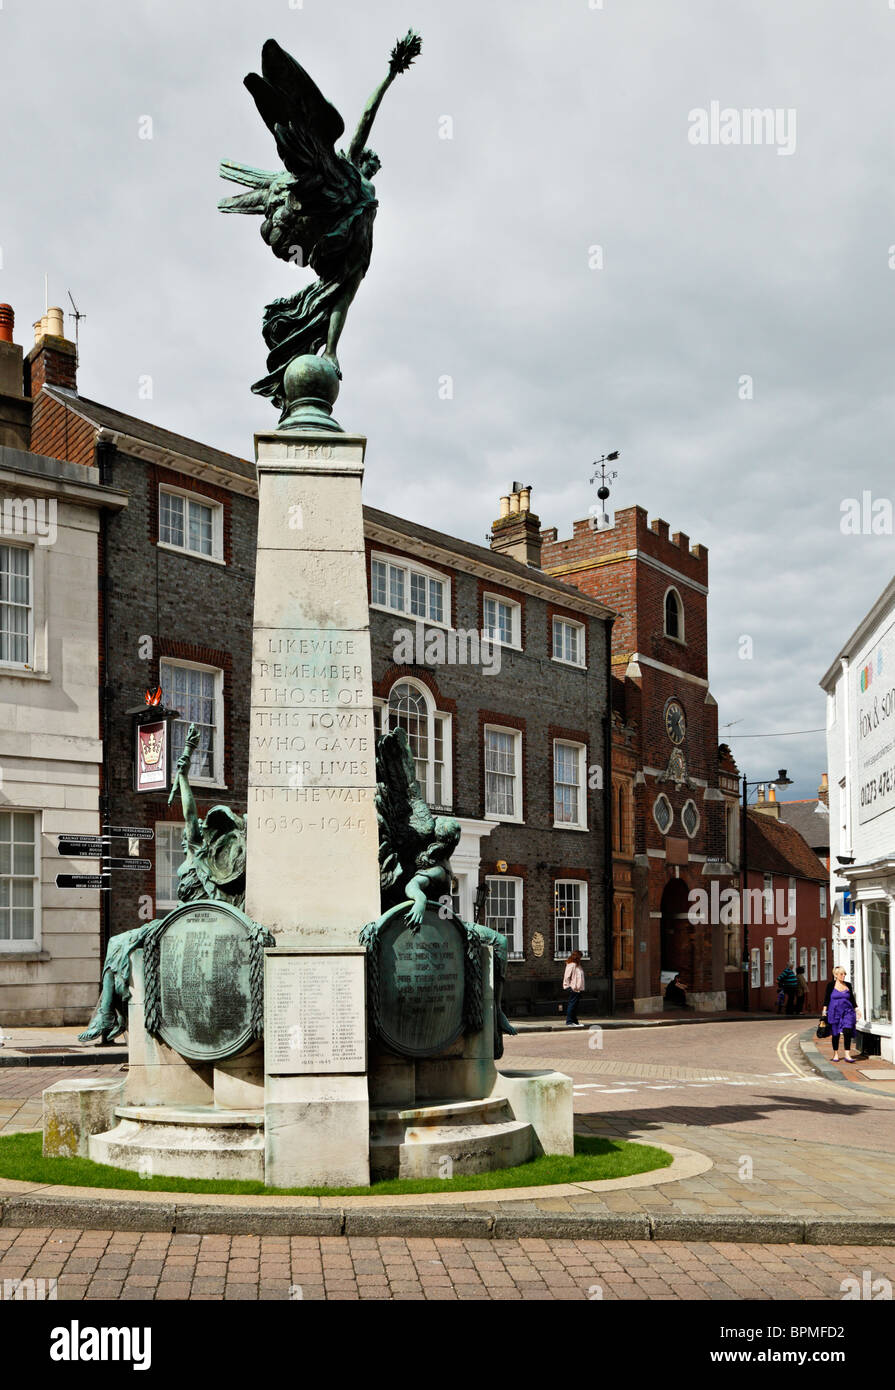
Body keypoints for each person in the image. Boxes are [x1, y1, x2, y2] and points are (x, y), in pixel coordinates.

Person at [822, 966, 862, 1063]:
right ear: (836, 975)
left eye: (845, 974)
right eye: (841, 974)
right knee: (835, 1033)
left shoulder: (848, 985)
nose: (844, 975)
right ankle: (835, 1054)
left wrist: (857, 1009)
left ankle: (847, 1055)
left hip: (848, 1012)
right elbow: (827, 999)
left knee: (847, 1031)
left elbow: (851, 998)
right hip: (834, 1012)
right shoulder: (830, 985)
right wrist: (824, 1012)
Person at [563, 950, 585, 1027]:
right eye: (580, 957)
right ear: (577, 957)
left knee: (575, 1006)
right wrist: (569, 987)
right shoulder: (571, 965)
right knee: (572, 1005)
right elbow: (567, 977)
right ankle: (569, 1022)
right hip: (573, 988)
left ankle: (575, 1022)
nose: (581, 959)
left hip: (578, 989)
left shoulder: (577, 965)